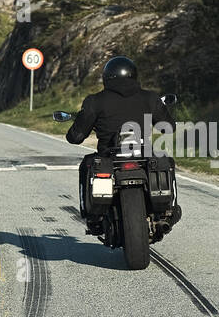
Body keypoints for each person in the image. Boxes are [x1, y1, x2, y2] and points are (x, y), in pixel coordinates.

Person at [66, 56, 174, 228]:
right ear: (134, 75)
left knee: (87, 164)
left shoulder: (95, 101)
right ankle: (168, 208)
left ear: (107, 78)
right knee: (166, 162)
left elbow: (76, 137)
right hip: (143, 157)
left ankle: (92, 216)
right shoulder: (150, 98)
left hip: (109, 158)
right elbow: (168, 128)